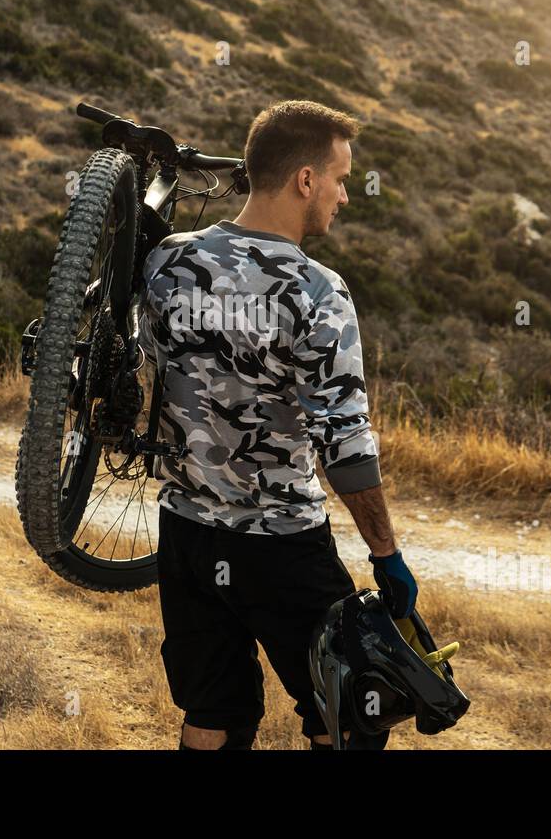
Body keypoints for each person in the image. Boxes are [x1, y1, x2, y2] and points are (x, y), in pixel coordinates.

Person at [139, 100, 419, 750]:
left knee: (213, 712)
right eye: (340, 178)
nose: (344, 196)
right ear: (304, 180)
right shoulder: (315, 290)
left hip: (185, 532)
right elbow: (345, 445)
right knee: (350, 713)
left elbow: (147, 362)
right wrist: (387, 556)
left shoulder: (170, 262)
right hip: (279, 542)